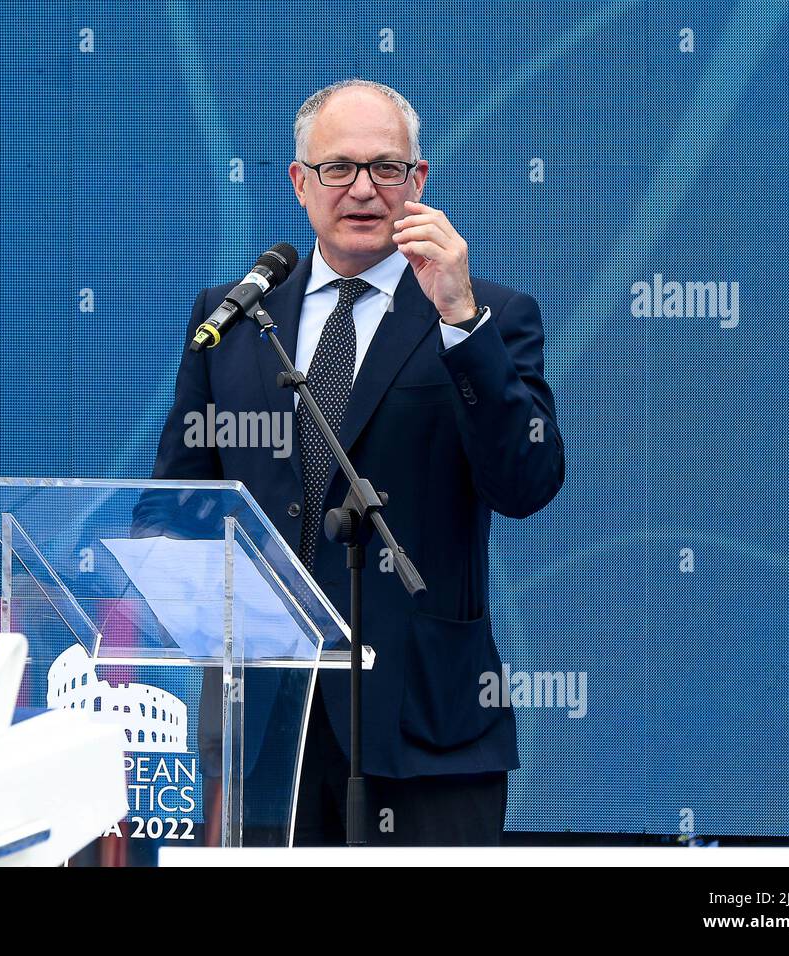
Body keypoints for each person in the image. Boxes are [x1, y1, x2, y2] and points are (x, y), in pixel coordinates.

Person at [148, 78, 565, 846]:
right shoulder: (236, 318)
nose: (364, 189)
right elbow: (173, 507)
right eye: (338, 168)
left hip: (425, 725)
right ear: (300, 184)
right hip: (261, 729)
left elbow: (526, 483)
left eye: (387, 167)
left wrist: (460, 320)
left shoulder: (490, 316)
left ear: (420, 181)